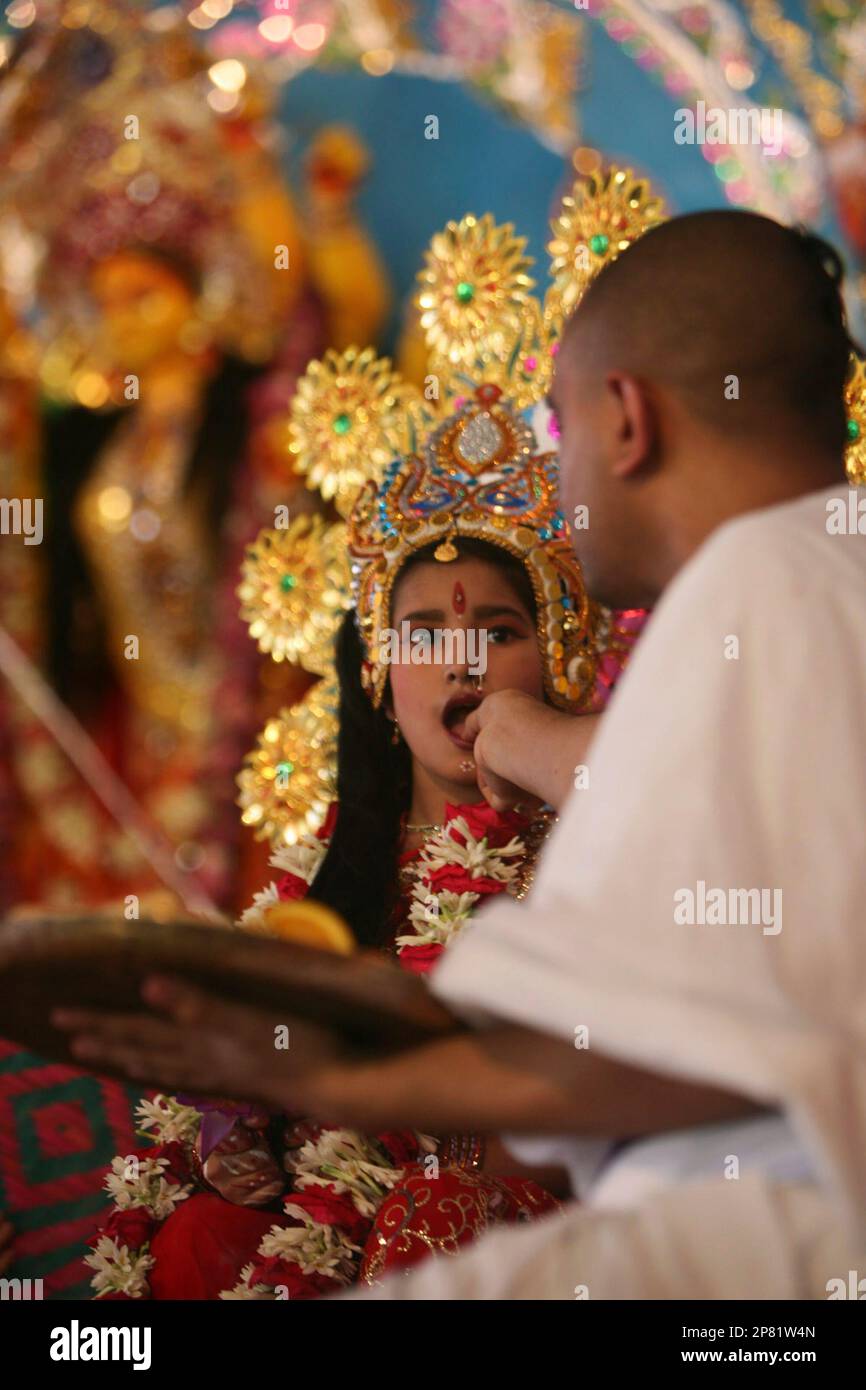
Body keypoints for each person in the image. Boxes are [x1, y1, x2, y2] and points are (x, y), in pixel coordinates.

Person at [60, 208, 866, 1299]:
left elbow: (611, 1068)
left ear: (623, 418)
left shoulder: (747, 599)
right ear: (376, 676)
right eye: (424, 638)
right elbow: (712, 1041)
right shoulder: (816, 577)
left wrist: (338, 1069)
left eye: (559, 423)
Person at [76, 382, 642, 1299]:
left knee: (435, 1210)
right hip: (323, 1230)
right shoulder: (321, 881)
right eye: (424, 632)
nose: (462, 662)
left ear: (556, 659)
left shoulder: (590, 852)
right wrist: (241, 1136)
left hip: (517, 1226)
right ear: (379, 673)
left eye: (498, 631)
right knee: (195, 1236)